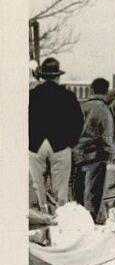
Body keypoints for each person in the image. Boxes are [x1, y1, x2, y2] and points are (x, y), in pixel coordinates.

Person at [29, 57, 85, 212]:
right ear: (58, 77)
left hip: (34, 144)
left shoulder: (31, 95)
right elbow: (78, 122)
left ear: (42, 76)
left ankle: (40, 214)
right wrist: (70, 143)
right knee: (61, 189)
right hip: (60, 144)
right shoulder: (68, 96)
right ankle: (60, 216)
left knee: (37, 187)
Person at [72, 77, 115, 223]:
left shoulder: (81, 107)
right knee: (94, 195)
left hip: (77, 156)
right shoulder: (104, 110)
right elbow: (107, 136)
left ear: (91, 89)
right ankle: (92, 222)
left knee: (78, 193)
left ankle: (78, 221)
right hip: (96, 157)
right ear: (107, 92)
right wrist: (110, 155)